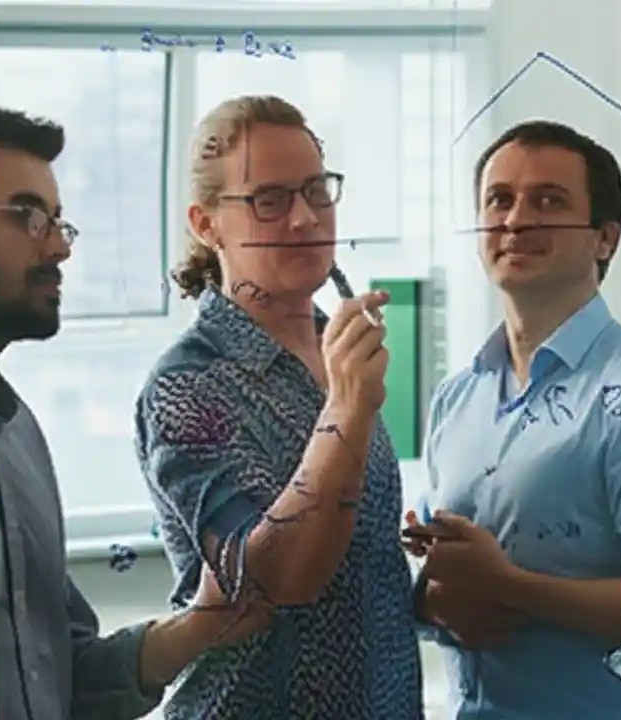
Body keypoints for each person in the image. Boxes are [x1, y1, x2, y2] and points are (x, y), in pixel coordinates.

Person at [403, 119, 621, 719]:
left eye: (548, 202)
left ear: (605, 238)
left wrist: (506, 586)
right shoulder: (458, 397)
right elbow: (442, 579)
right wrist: (432, 600)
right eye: (499, 199)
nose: (516, 220)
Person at [0, 100, 270, 719]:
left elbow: (61, 675)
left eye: (57, 221)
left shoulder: (15, 438)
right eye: (28, 216)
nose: (60, 249)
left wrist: (202, 624)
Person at [132, 95, 421, 718]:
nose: (303, 219)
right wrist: (345, 408)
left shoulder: (335, 349)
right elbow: (271, 582)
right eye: (269, 199)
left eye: (317, 190)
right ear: (206, 225)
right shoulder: (187, 386)